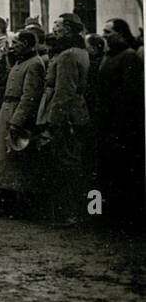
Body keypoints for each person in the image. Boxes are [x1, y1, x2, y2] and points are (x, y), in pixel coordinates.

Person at [0, 30, 46, 217]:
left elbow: (29, 96)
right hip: (6, 111)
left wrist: (17, 121)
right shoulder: (19, 62)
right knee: (2, 161)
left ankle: (16, 206)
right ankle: (2, 203)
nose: (13, 46)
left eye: (16, 42)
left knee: (15, 163)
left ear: (25, 43)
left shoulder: (34, 64)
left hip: (15, 114)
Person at [35, 13, 92, 226]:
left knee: (66, 164)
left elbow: (63, 93)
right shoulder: (80, 52)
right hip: (76, 114)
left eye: (58, 27)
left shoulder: (68, 55)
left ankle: (69, 213)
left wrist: (53, 122)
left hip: (66, 117)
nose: (55, 30)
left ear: (67, 29)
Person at [97, 19, 144, 230]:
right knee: (108, 170)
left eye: (108, 32)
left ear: (120, 33)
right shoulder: (109, 56)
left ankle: (126, 218)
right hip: (106, 122)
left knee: (124, 170)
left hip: (122, 124)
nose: (104, 35)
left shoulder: (129, 56)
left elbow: (131, 93)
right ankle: (104, 214)